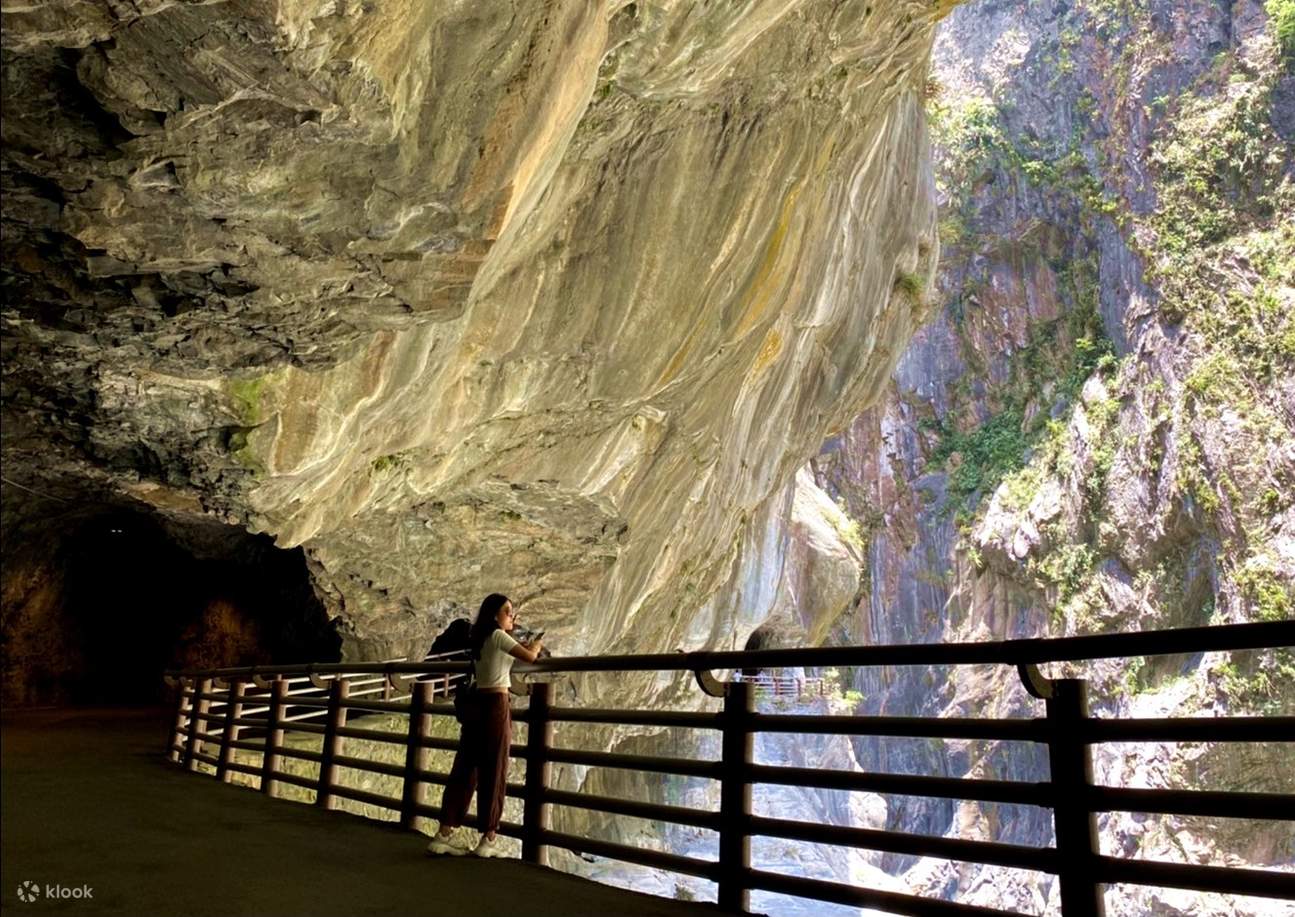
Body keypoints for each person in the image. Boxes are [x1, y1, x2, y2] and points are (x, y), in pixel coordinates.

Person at [426, 593, 543, 858]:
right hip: (496, 706)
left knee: (465, 767)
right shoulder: (499, 635)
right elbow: (530, 657)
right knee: (494, 768)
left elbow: (502, 655)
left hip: (476, 705)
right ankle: (488, 839)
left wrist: (516, 639)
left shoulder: (481, 637)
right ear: (494, 615)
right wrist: (536, 645)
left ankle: (443, 834)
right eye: (508, 611)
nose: (512, 616)